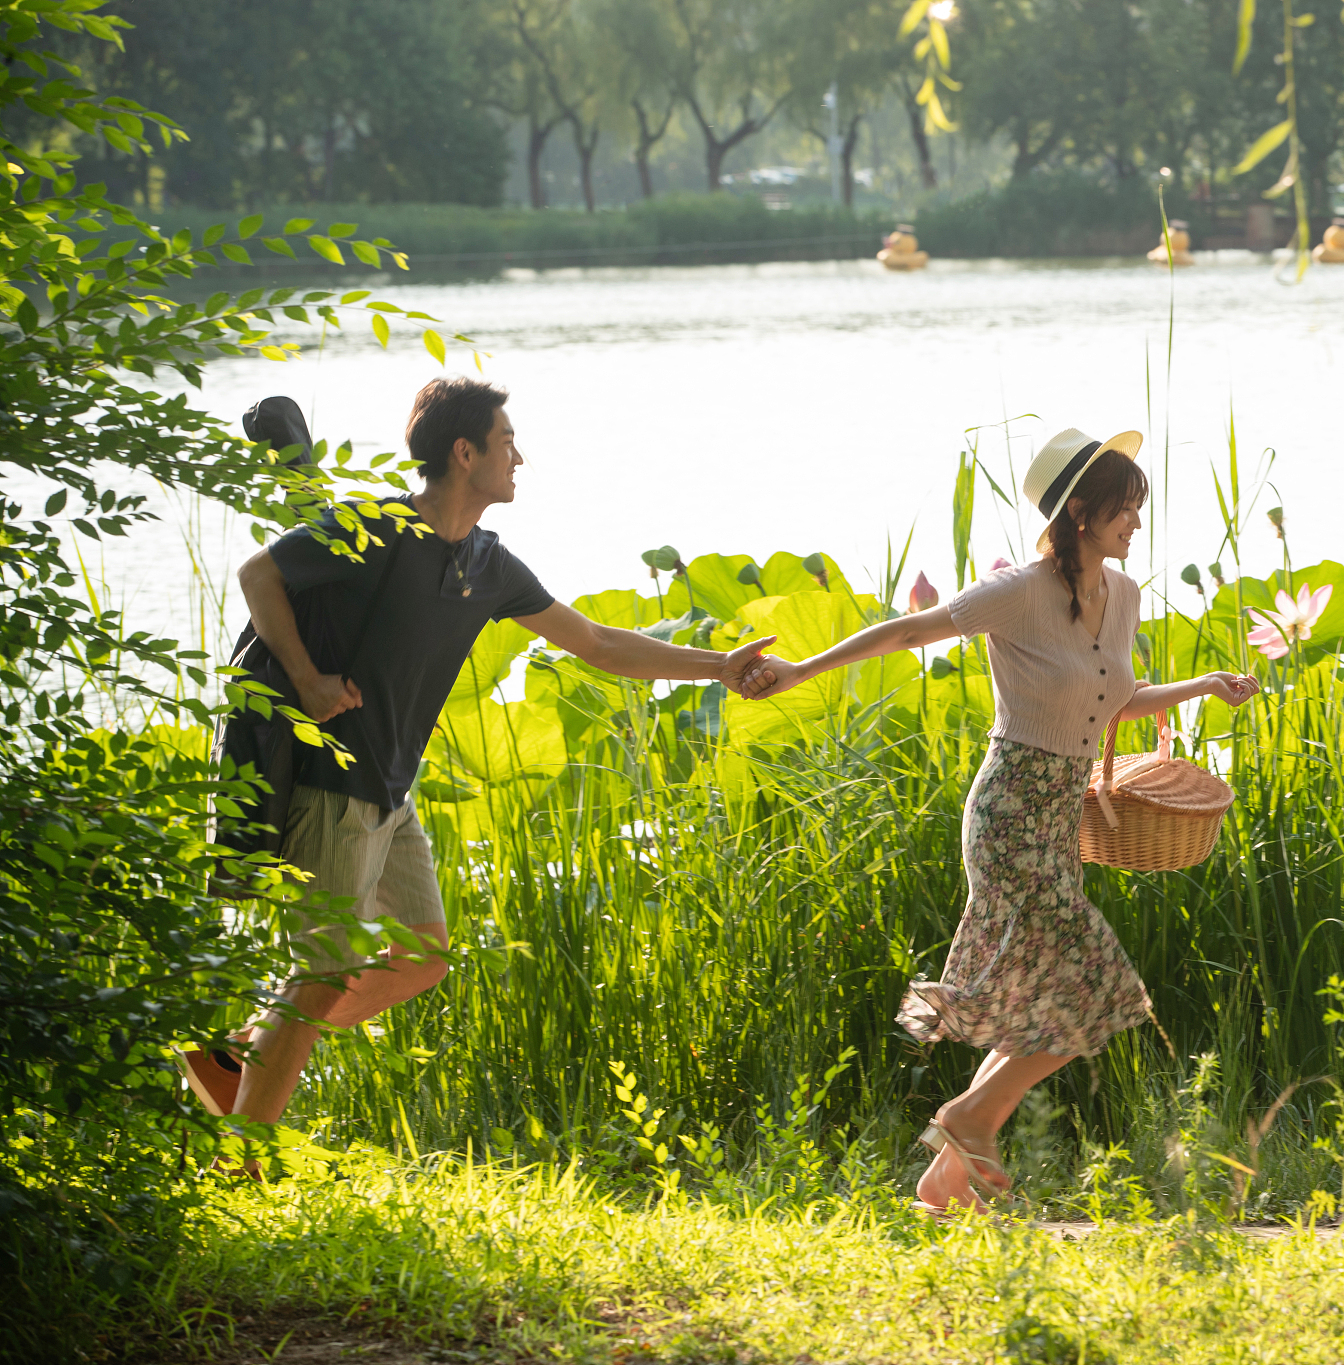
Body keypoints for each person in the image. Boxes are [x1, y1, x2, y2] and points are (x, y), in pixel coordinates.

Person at [179, 377, 775, 1139]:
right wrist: (307, 678)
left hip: (392, 792)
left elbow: (596, 643)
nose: (519, 457)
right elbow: (260, 574)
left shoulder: (488, 565)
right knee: (323, 972)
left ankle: (245, 1052)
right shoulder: (376, 528)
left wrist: (718, 664)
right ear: (465, 454)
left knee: (422, 955)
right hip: (334, 782)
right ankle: (242, 1154)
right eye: (506, 442)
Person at [741, 427, 1260, 1214]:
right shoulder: (1018, 591)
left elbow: (1114, 699)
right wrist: (800, 672)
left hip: (1059, 813)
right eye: (1127, 507)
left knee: (1044, 994)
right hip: (1009, 807)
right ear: (1082, 510)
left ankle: (946, 1182)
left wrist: (1200, 686)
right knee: (1094, 982)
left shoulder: (1124, 596)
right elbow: (909, 631)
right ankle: (968, 1118)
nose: (1138, 524)